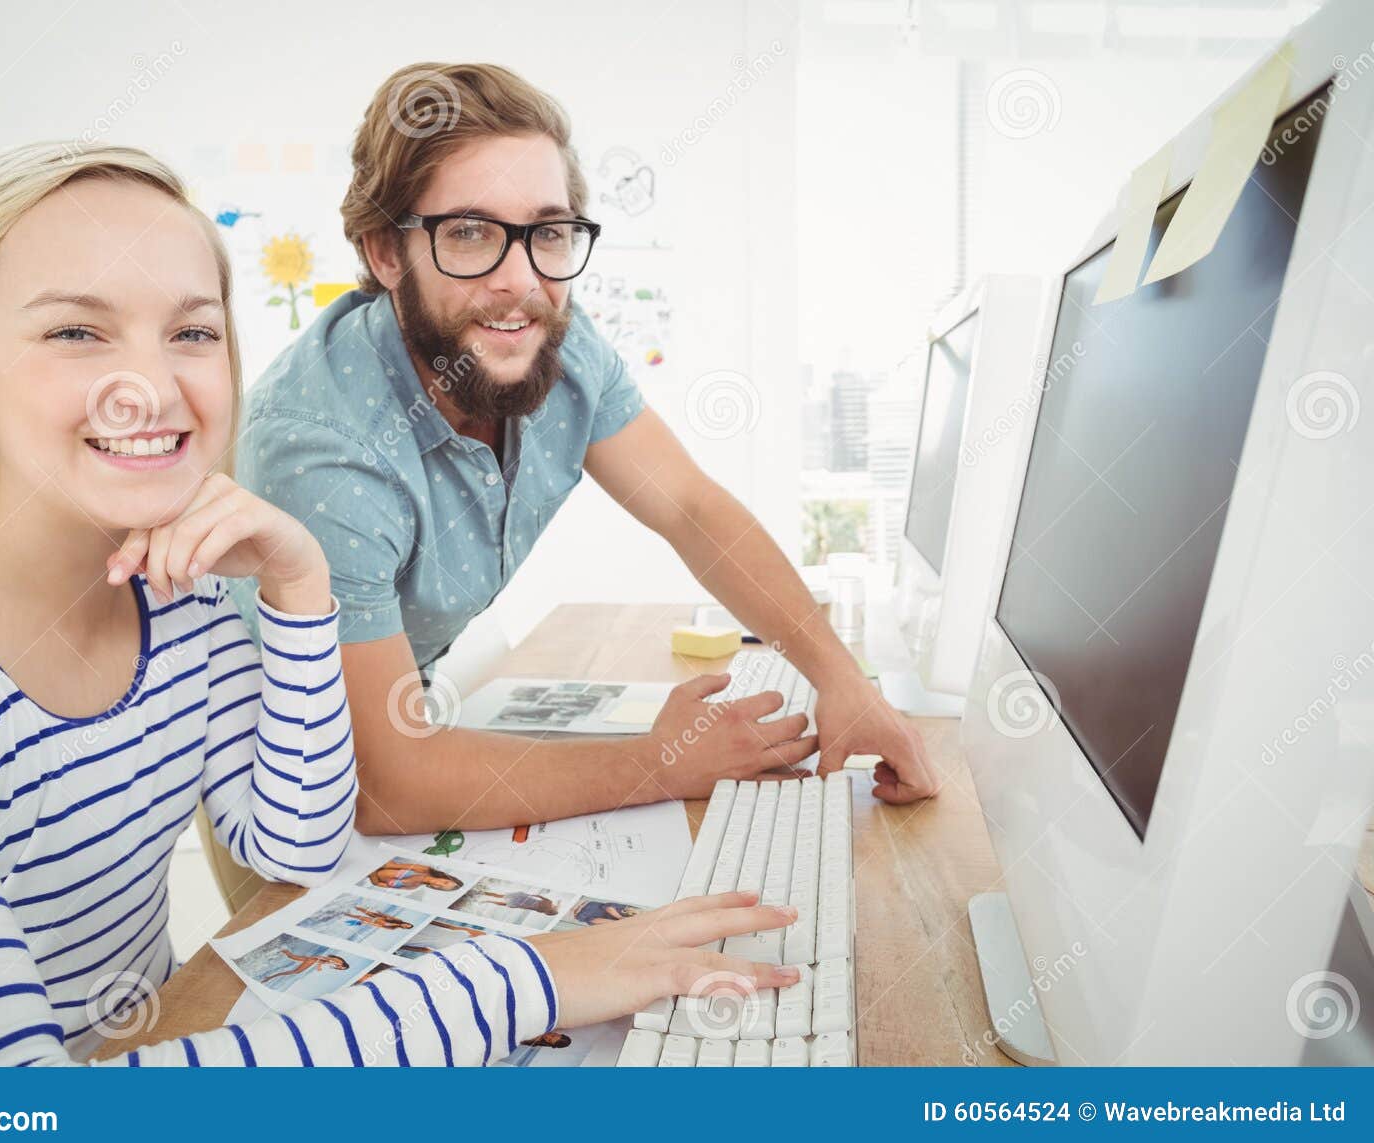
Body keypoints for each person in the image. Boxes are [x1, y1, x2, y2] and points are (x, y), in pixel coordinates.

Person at [0, 142, 800, 1067]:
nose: (149, 388)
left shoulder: (171, 606)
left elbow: (297, 842)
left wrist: (297, 582)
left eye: (191, 332)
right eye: (78, 331)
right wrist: (533, 975)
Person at [234, 62, 940, 837]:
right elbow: (387, 785)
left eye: (547, 232)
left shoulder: (554, 344)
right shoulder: (325, 450)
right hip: (278, 789)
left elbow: (691, 508)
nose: (520, 280)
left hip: (409, 721)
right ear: (385, 252)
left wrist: (845, 683)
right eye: (469, 232)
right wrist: (660, 763)